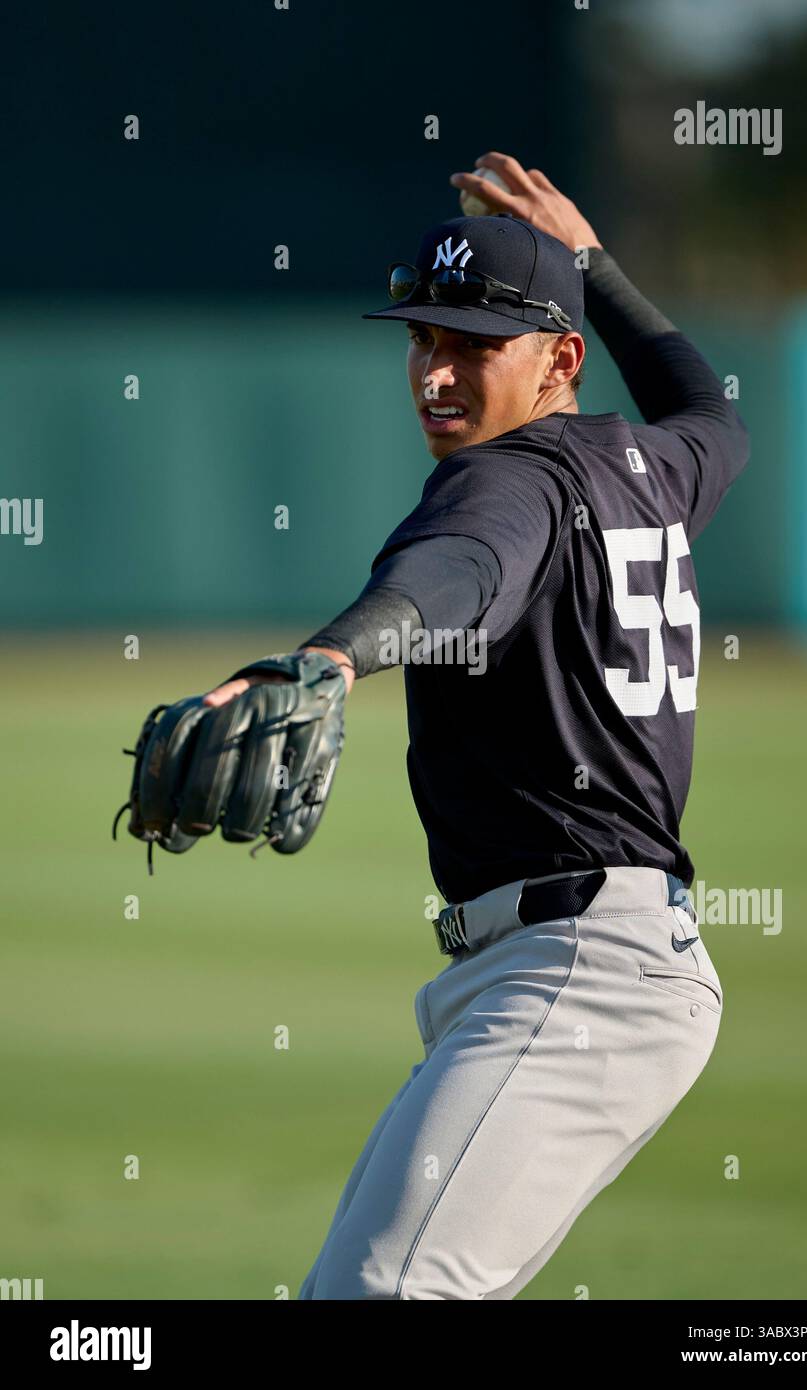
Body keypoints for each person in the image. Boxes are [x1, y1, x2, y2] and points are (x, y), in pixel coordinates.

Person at [204, 152, 750, 1300]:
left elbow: (457, 569)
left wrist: (332, 656)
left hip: (578, 973)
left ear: (557, 360)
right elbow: (707, 409)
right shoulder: (649, 462)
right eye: (422, 339)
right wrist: (595, 269)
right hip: (584, 966)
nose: (435, 373)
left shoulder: (500, 483)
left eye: (473, 345)